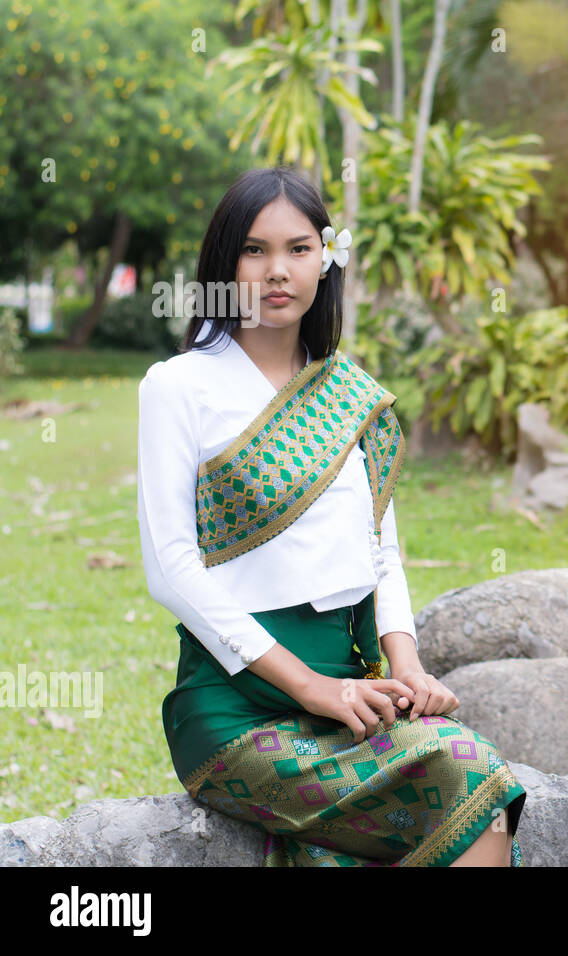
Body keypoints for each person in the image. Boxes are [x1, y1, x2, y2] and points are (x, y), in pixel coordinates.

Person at [137, 165, 526, 867]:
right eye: (254, 250)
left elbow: (383, 555)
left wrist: (406, 668)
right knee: (461, 777)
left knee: (481, 792)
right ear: (224, 262)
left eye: (297, 248)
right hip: (234, 712)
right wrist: (314, 689)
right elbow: (170, 568)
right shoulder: (179, 387)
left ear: (327, 258)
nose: (276, 270)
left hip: (357, 696)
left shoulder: (349, 395)